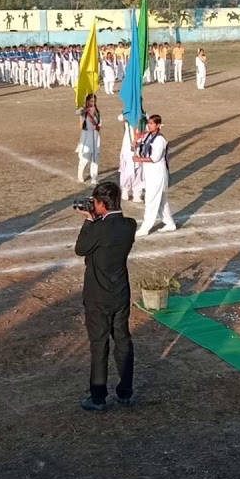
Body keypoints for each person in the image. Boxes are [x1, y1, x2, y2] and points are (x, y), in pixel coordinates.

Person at [74, 180, 138, 411]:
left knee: (99, 344)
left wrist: (89, 221)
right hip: (120, 292)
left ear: (101, 203)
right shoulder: (130, 225)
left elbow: (81, 248)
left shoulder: (98, 228)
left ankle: (98, 396)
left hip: (97, 296)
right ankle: (126, 392)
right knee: (123, 340)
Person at [134, 114, 176, 236]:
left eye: (152, 123)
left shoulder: (160, 140)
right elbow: (141, 145)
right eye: (149, 123)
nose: (149, 125)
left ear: (158, 125)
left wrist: (138, 160)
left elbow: (154, 158)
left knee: (151, 199)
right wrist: (136, 144)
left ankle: (145, 227)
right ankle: (170, 223)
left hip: (157, 173)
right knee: (162, 200)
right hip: (149, 173)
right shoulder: (148, 135)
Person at [75, 93, 102, 184]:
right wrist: (88, 110)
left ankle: (94, 178)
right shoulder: (84, 110)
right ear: (87, 101)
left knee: (95, 158)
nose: (93, 103)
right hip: (86, 136)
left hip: (95, 136)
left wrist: (95, 123)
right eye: (91, 101)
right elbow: (77, 112)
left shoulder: (97, 112)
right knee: (85, 158)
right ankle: (80, 173)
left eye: (94, 101)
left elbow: (100, 123)